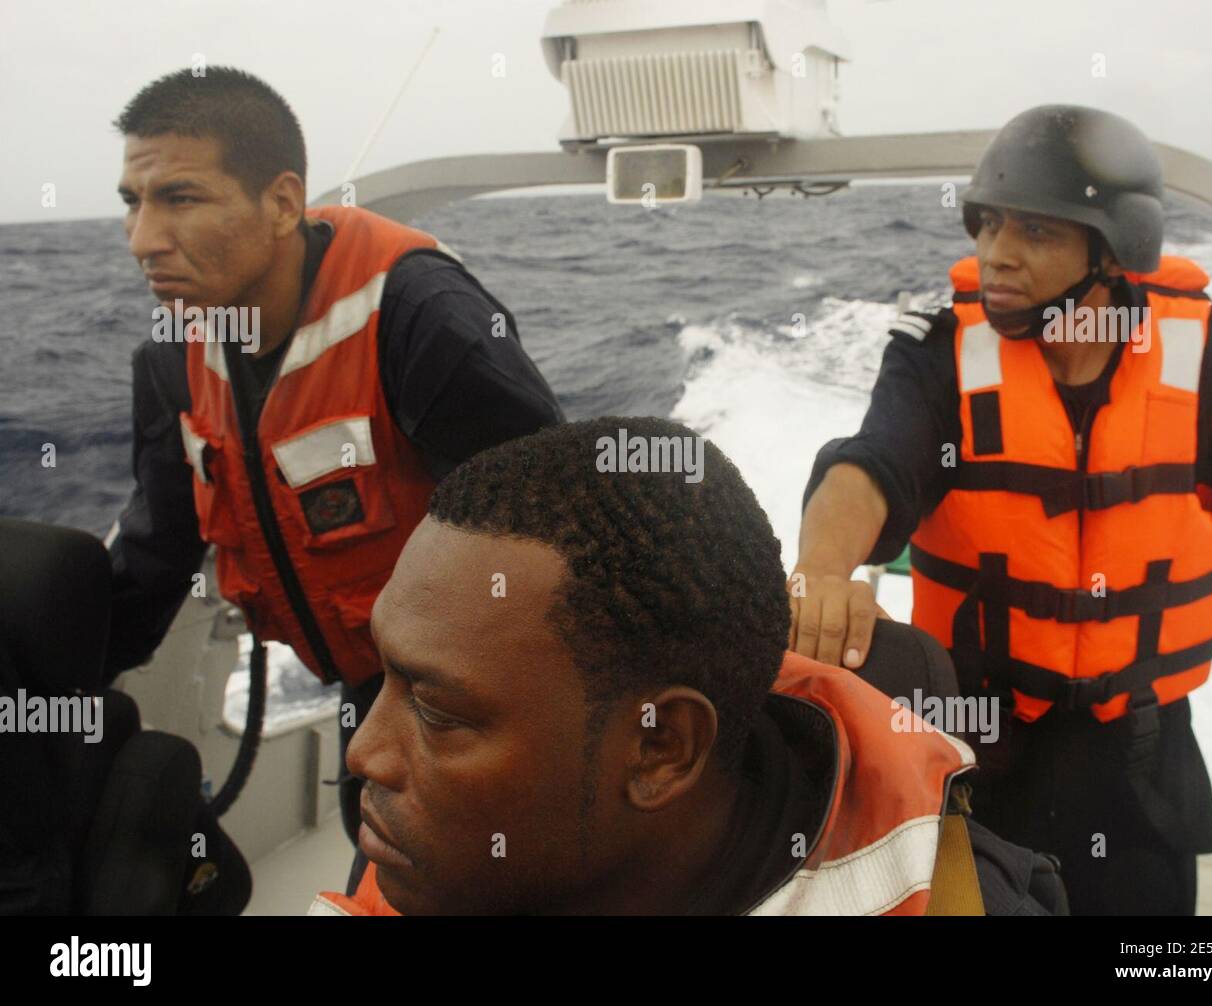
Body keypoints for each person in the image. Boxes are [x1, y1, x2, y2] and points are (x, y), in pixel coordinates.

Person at [793, 105, 1212, 914]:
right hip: (980, 744)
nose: (996, 253)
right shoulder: (939, 355)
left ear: (1113, 252)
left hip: (1141, 754)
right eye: (987, 225)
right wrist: (820, 571)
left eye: (1034, 232)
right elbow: (871, 465)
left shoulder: (1204, 355)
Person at [312, 417, 1067, 916]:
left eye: (440, 715)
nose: (362, 754)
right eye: (388, 681)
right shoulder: (436, 862)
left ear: (659, 747)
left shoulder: (963, 902)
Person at [103, 67, 563, 862]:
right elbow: (157, 553)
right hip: (364, 680)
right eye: (132, 203)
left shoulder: (420, 318)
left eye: (179, 199)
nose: (143, 239)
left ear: (283, 202)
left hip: (484, 688)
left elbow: (554, 536)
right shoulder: (171, 358)